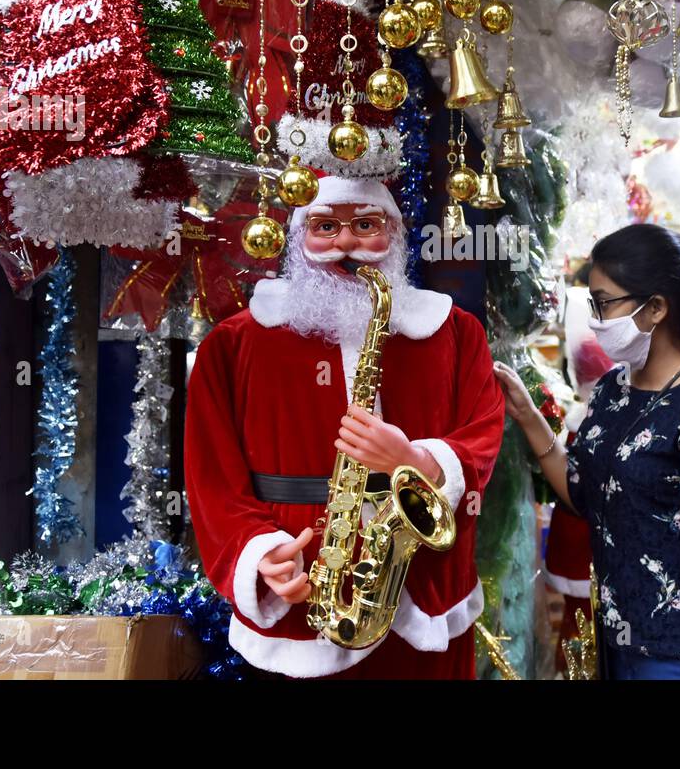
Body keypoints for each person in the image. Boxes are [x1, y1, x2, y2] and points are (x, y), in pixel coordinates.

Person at [184, 170, 505, 679]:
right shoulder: (233, 345)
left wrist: (417, 461)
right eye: (325, 227)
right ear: (295, 237)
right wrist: (258, 553)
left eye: (365, 224)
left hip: (424, 588)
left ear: (395, 236)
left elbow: (483, 433)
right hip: (306, 588)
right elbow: (211, 479)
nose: (346, 244)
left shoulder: (457, 332)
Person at [496, 223, 680, 680]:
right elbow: (582, 492)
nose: (596, 319)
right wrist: (528, 416)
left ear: (656, 307)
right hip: (621, 642)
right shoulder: (614, 389)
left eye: (604, 303)